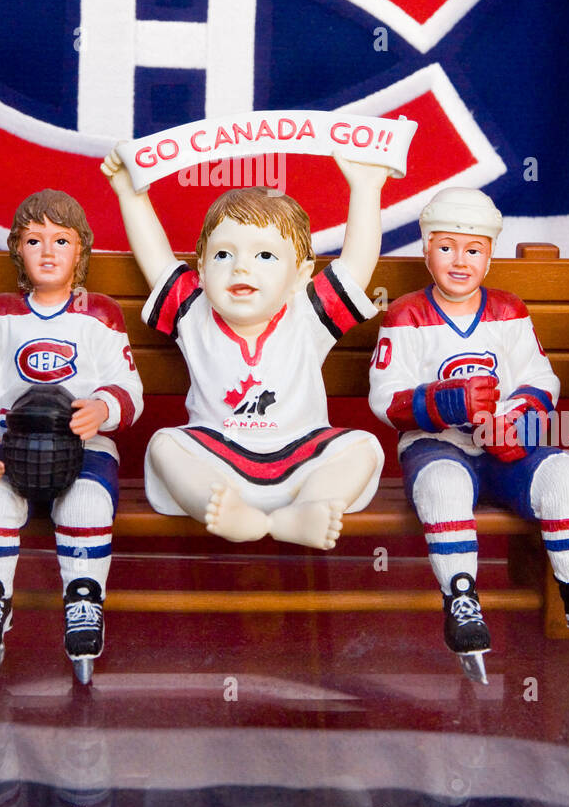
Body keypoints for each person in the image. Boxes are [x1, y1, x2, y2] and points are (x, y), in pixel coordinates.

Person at [368, 187, 569, 678]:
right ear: (426, 249)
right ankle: (461, 596)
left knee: (568, 475)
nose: (458, 260)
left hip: (503, 449)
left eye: (472, 249)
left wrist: (516, 416)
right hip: (438, 447)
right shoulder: (406, 314)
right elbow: (386, 399)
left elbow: (542, 379)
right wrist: (445, 400)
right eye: (446, 247)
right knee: (442, 486)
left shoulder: (509, 310)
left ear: (489, 256)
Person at [102, 149, 388, 550]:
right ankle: (222, 510)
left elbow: (356, 265)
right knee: (166, 445)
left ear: (300, 275)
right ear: (200, 267)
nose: (240, 268)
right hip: (217, 455)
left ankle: (309, 509)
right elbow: (156, 259)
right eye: (222, 254)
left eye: (265, 255)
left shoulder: (306, 314)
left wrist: (365, 187)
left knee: (361, 448)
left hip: (303, 454)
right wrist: (131, 196)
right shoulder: (193, 310)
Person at [0, 189, 143, 683]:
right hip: (10, 450)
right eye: (34, 239)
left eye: (62, 239)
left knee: (84, 502)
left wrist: (102, 409)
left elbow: (128, 388)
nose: (48, 250)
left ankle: (84, 600)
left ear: (82, 249)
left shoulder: (100, 314)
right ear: (17, 248)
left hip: (85, 449)